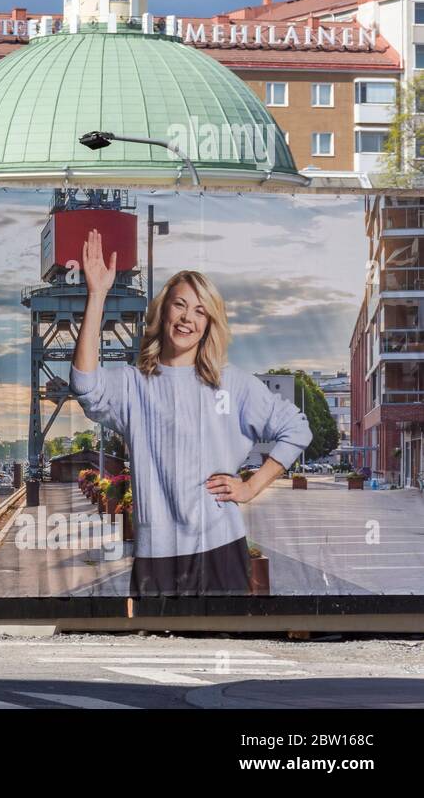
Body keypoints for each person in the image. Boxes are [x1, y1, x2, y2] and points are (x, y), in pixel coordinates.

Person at [71, 229, 312, 596]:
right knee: (161, 652)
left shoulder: (232, 384)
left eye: (200, 311)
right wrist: (97, 294)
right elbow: (85, 384)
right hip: (156, 555)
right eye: (180, 305)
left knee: (224, 647)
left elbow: (297, 429)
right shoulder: (134, 385)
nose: (188, 318)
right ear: (164, 310)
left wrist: (250, 487)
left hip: (220, 549)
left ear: (209, 324)